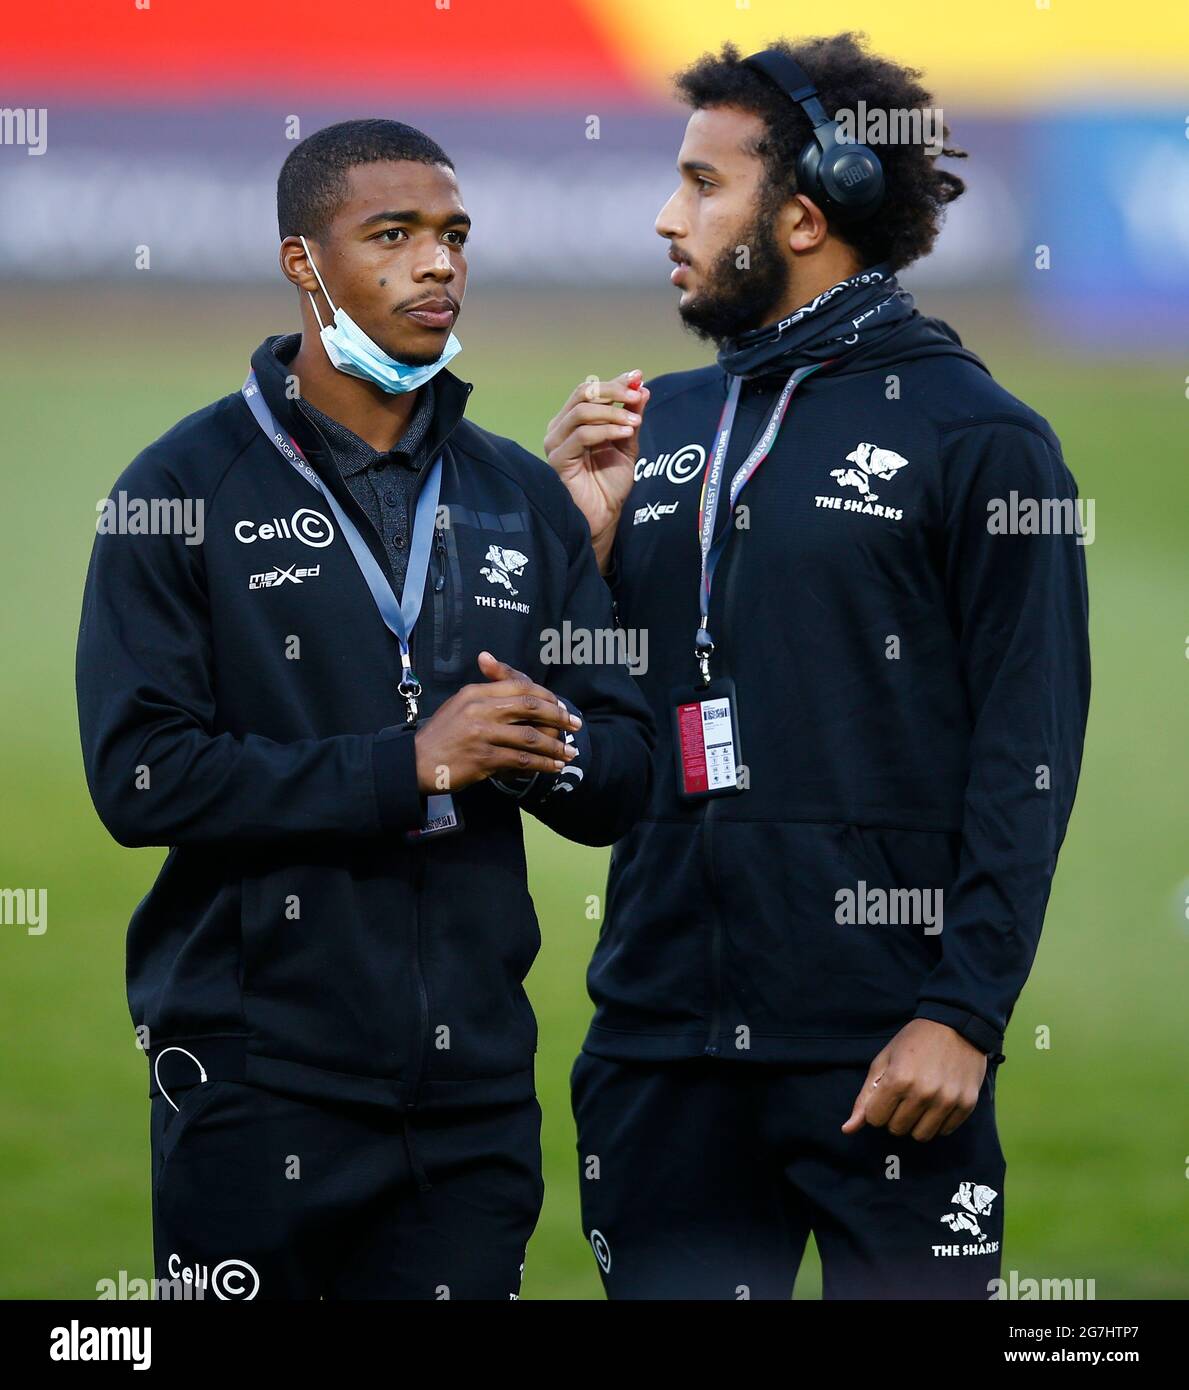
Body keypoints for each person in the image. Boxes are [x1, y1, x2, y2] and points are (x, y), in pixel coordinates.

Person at [544, 35, 1091, 1299]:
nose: (663, 217)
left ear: (803, 212)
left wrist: (963, 1012)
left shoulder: (987, 441)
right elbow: (593, 767)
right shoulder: (650, 424)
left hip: (887, 1055)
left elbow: (1032, 752)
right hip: (659, 1048)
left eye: (699, 184)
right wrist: (568, 556)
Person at [76, 118, 653, 1300]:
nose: (436, 265)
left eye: (452, 237)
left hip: (474, 1100)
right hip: (252, 1081)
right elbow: (140, 776)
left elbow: (627, 769)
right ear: (304, 262)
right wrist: (410, 765)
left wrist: (540, 753)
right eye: (392, 236)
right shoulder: (176, 490)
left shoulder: (517, 498)